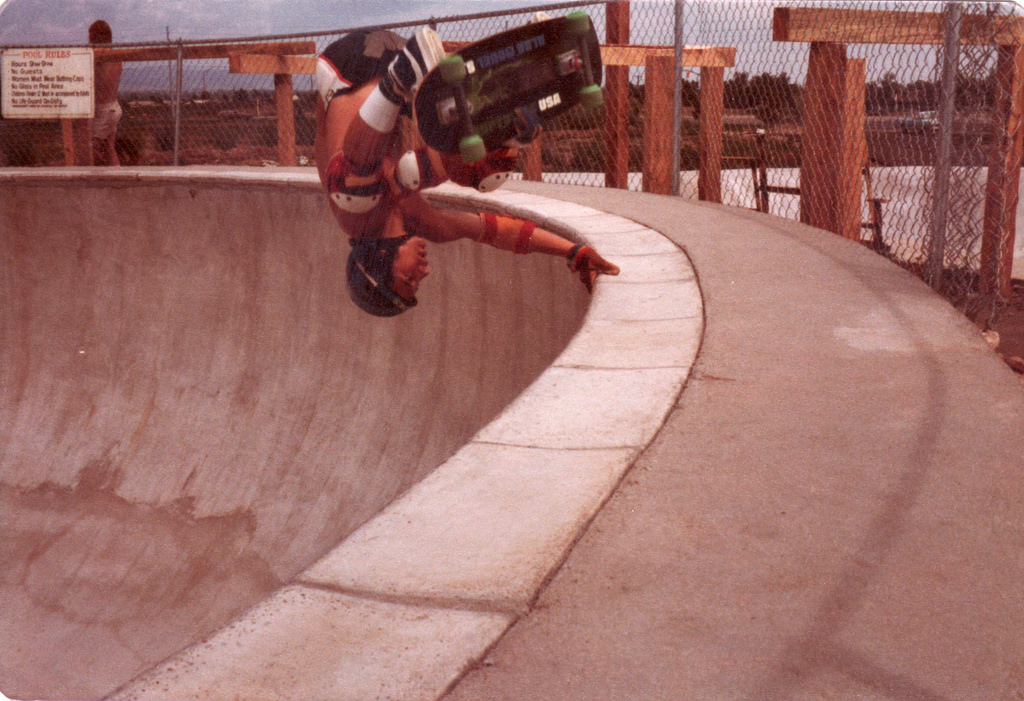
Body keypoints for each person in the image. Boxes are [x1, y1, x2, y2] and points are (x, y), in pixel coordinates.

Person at [313, 27, 619, 317]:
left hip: (348, 67)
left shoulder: (355, 222)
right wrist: (574, 252)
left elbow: (352, 170)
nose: (424, 272)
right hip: (395, 61)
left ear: (379, 261)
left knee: (352, 193)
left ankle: (400, 79)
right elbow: (497, 232)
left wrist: (413, 175)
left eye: (409, 279)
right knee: (485, 175)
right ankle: (521, 97)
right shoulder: (426, 224)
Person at [88, 20, 122, 166]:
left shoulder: (98, 55)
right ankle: (117, 175)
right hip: (113, 106)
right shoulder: (116, 56)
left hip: (102, 111)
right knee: (109, 148)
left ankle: (96, 177)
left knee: (90, 150)